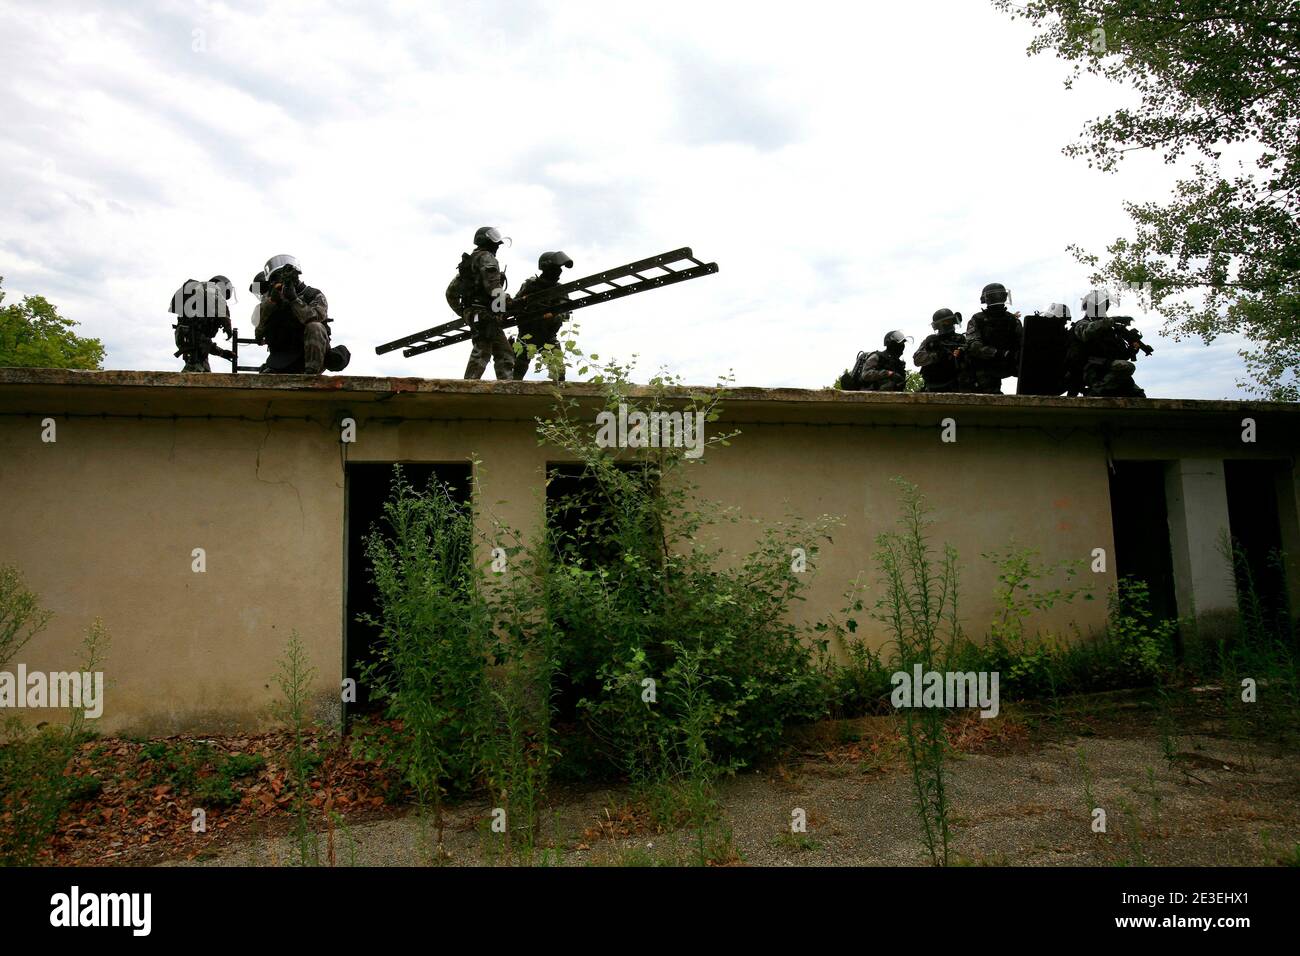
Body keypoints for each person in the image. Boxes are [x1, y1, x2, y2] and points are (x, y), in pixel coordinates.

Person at [253, 255, 333, 374]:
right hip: (282, 359)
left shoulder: (312, 295)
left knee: (315, 326)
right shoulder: (271, 300)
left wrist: (294, 299)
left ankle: (311, 374)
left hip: (309, 357)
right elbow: (259, 334)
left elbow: (315, 319)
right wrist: (272, 302)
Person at [457, 226, 515, 380]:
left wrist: (465, 313)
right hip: (484, 315)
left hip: (479, 314)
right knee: (483, 352)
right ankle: (468, 388)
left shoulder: (468, 263)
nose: (497, 247)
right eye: (495, 244)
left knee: (504, 353)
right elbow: (493, 288)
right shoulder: (487, 258)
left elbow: (450, 293)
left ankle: (507, 388)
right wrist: (506, 303)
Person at [1072, 289, 1148, 397]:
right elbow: (1086, 332)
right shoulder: (1082, 324)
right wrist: (1112, 320)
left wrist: (1132, 349)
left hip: (1109, 369)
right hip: (1092, 369)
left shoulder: (1110, 330)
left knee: (1139, 395)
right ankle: (1096, 391)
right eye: (1100, 306)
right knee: (1127, 367)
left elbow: (1121, 356)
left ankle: (1102, 389)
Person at [511, 251, 573, 381]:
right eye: (556, 268)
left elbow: (565, 311)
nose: (559, 272)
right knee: (515, 375)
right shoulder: (530, 285)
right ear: (547, 268)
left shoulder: (559, 289)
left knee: (559, 375)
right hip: (527, 335)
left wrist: (553, 316)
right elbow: (515, 305)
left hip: (548, 336)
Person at [964, 282, 1023, 393]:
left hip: (1007, 364)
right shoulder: (978, 319)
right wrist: (1000, 353)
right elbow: (973, 346)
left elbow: (1023, 345)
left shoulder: (1012, 320)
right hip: (986, 366)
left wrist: (1015, 355)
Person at [170, 275, 235, 372]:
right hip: (192, 339)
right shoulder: (212, 288)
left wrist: (223, 353)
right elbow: (221, 308)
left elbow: (204, 343)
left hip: (183, 337)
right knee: (195, 371)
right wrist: (228, 327)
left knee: (203, 369)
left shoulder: (196, 319)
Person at [912, 308, 967, 392]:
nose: (948, 324)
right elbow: (917, 360)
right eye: (945, 322)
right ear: (938, 326)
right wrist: (936, 354)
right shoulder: (931, 341)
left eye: (950, 321)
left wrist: (963, 353)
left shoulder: (960, 339)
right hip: (935, 386)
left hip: (958, 385)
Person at [839, 330, 909, 391]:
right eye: (900, 344)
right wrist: (888, 373)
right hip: (870, 394)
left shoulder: (899, 363)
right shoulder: (877, 356)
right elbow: (865, 375)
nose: (902, 346)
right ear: (891, 344)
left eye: (903, 344)